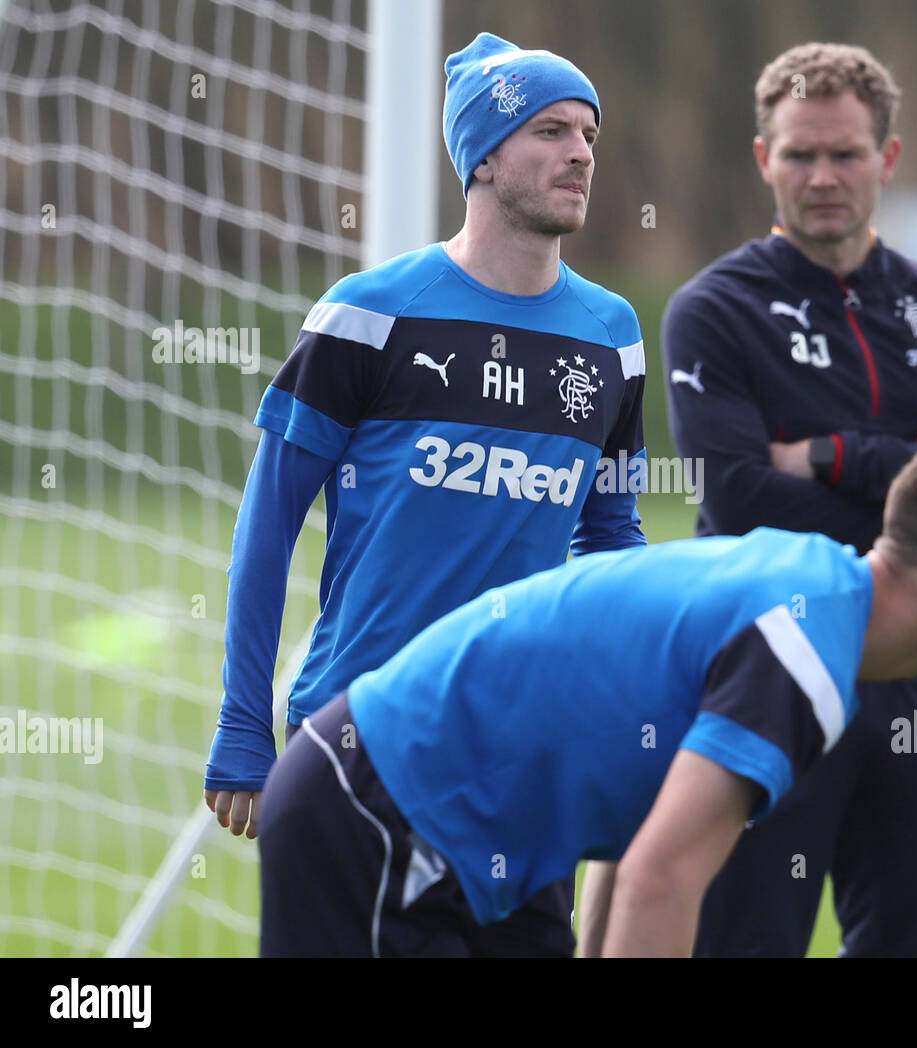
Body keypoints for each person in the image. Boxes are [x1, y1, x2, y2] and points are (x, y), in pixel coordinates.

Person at [256, 428, 917, 957]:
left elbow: (633, 854)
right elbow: (663, 877)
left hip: (451, 850)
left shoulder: (808, 586)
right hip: (374, 819)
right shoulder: (804, 642)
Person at [204, 32, 647, 957]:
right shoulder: (368, 315)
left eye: (590, 136)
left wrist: (630, 706)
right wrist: (245, 723)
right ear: (483, 156)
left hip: (522, 751)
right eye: (552, 130)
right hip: (360, 740)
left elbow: (611, 545)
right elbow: (268, 524)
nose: (580, 154)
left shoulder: (611, 337)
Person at [661, 42, 917, 957]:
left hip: (915, 677)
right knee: (745, 942)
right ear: (764, 161)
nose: (822, 177)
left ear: (888, 160)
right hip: (767, 670)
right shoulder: (713, 310)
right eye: (799, 155)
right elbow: (740, 495)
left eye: (845, 154)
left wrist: (822, 456)